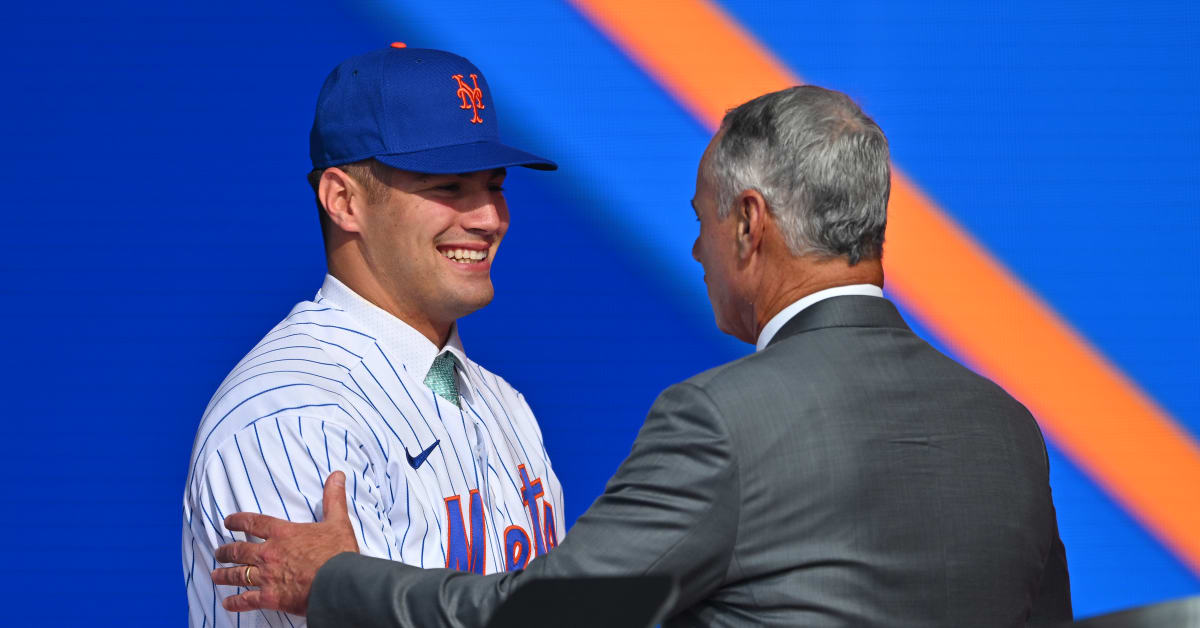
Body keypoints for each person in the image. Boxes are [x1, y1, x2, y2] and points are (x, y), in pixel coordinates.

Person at [212, 85, 1073, 627]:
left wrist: (336, 581)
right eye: (449, 188)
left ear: (748, 224)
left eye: (702, 219)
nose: (696, 252)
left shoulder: (725, 425)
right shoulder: (1005, 429)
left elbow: (553, 617)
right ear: (342, 200)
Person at [183, 43, 565, 628]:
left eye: (494, 185)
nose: (489, 217)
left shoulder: (504, 407)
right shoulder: (291, 418)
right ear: (344, 200)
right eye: (448, 187)